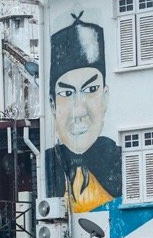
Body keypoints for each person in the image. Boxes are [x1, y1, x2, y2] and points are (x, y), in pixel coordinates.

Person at [44, 13, 122, 211]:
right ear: (52, 104)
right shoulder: (47, 164)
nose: (79, 110)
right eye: (66, 93)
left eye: (90, 89)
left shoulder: (119, 157)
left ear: (105, 96)